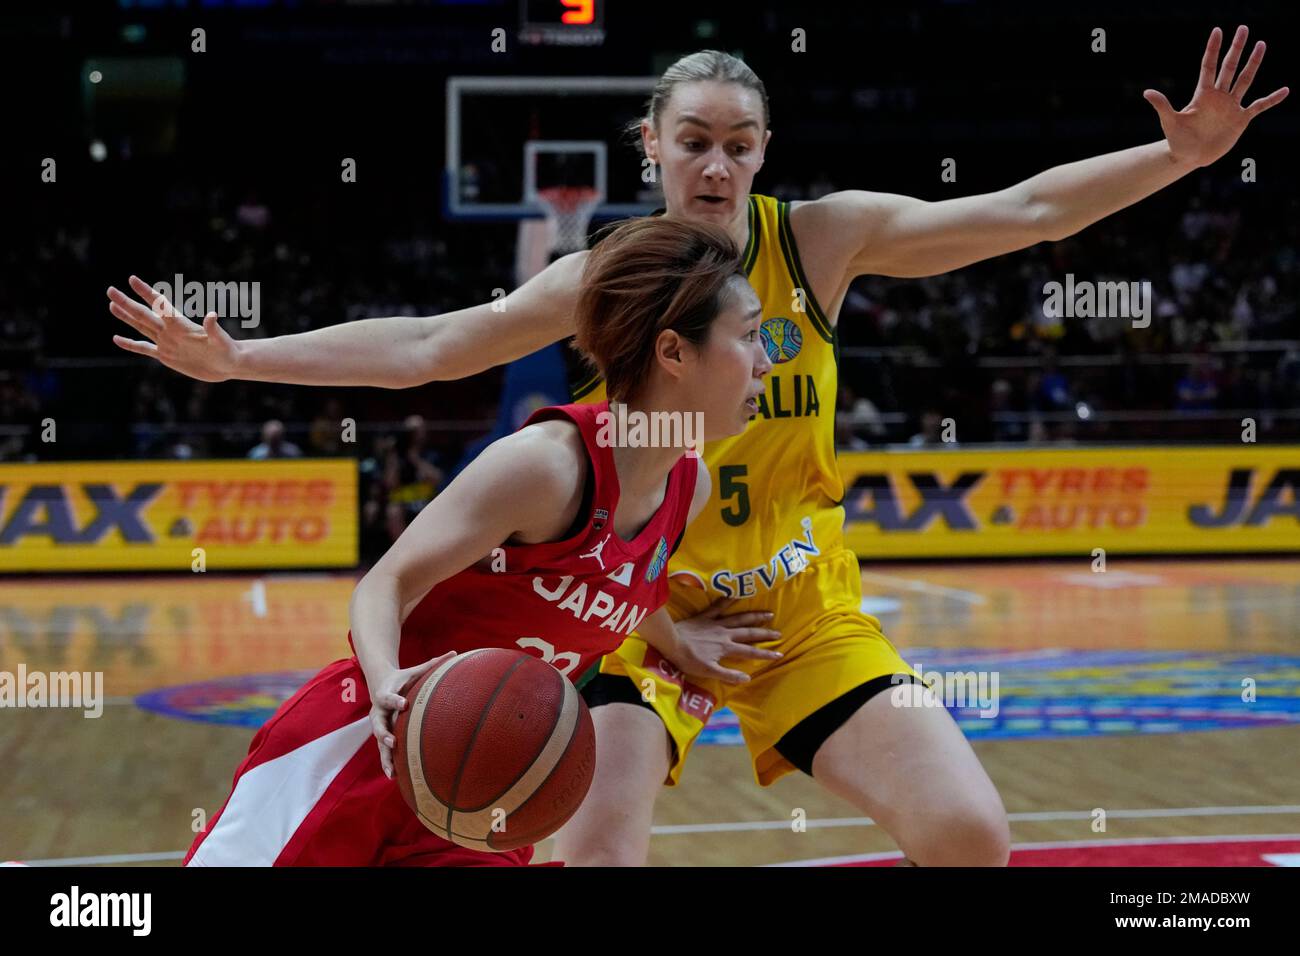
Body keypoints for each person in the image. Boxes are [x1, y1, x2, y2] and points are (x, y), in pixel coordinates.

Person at [109, 28, 1287, 867]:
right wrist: (240, 358)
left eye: (737, 143)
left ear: (764, 151)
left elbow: (1024, 213)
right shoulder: (608, 280)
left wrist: (1177, 157)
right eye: (692, 143)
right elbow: (434, 342)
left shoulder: (824, 240)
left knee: (969, 833)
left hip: (796, 610)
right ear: (652, 149)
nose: (715, 165)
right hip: (635, 618)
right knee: (598, 855)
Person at [183, 217, 771, 865]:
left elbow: (621, 581)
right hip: (363, 745)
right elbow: (389, 582)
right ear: (673, 354)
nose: (768, 362)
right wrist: (387, 684)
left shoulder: (691, 486)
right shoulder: (547, 469)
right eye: (748, 337)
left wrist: (679, 642)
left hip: (491, 795)